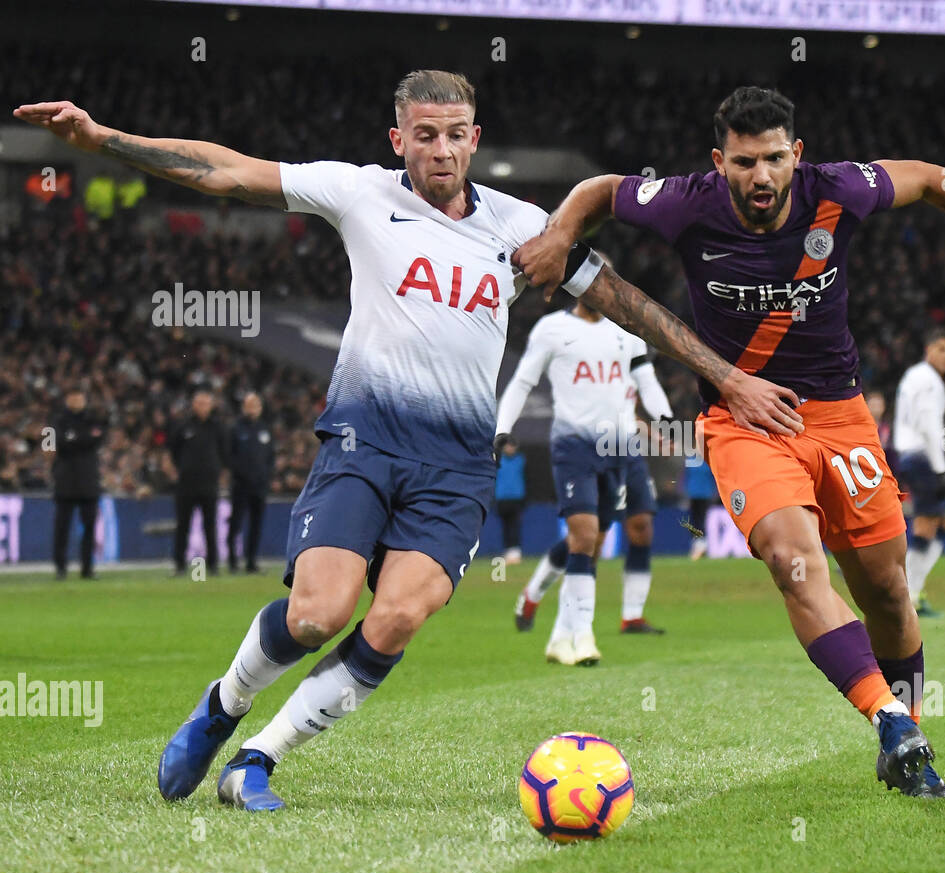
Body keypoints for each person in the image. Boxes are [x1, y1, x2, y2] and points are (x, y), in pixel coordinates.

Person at [16, 72, 797, 811]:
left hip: (457, 466)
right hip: (365, 441)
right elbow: (226, 172)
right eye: (425, 135)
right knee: (318, 613)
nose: (442, 150)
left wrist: (729, 378)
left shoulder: (521, 226)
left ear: (475, 138)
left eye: (456, 134)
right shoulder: (359, 192)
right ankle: (224, 703)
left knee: (394, 619)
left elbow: (625, 302)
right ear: (399, 139)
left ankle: (259, 758)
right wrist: (103, 138)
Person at [517, 85, 945, 798]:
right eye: (743, 162)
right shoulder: (684, 202)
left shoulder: (841, 190)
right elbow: (603, 190)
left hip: (840, 416)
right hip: (744, 421)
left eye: (773, 159)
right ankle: (890, 721)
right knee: (793, 561)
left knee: (888, 591)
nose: (760, 176)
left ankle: (910, 737)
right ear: (719, 162)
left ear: (797, 154)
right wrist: (560, 231)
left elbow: (929, 178)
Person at [498, 294, 674, 665]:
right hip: (574, 447)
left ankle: (562, 637)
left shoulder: (628, 333)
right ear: (577, 288)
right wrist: (502, 428)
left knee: (596, 540)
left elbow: (646, 384)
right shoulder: (553, 330)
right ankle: (582, 635)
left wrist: (667, 420)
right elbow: (522, 381)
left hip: (620, 448)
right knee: (583, 536)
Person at [893, 330, 945, 617]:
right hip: (922, 456)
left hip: (913, 455)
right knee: (926, 525)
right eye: (943, 349)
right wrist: (941, 468)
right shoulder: (928, 380)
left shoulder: (916, 376)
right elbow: (928, 425)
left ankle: (912, 593)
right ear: (928, 349)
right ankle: (908, 597)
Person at [169, 388, 227, 577]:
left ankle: (213, 565)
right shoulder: (183, 426)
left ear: (211, 406)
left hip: (209, 483)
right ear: (193, 405)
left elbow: (224, 451)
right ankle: (179, 564)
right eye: (200, 403)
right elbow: (174, 450)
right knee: (183, 524)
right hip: (186, 484)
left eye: (206, 404)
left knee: (210, 525)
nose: (203, 407)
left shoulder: (217, 427)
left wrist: (217, 470)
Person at [50, 388, 104, 580]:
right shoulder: (56, 420)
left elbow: (97, 439)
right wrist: (83, 439)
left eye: (80, 397)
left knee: (89, 528)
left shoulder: (94, 419)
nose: (77, 401)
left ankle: (87, 569)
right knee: (61, 528)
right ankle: (60, 568)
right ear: (67, 399)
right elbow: (53, 445)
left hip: (88, 482)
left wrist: (71, 440)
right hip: (65, 482)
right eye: (73, 397)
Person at [227, 392, 274, 573]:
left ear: (260, 408)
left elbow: (270, 456)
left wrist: (266, 475)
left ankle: (251, 561)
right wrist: (239, 474)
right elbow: (229, 455)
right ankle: (232, 561)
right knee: (236, 523)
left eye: (255, 405)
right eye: (249, 405)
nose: (252, 408)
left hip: (260, 485)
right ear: (243, 407)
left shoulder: (265, 429)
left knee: (256, 524)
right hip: (240, 485)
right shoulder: (235, 428)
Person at [494, 435, 526, 565]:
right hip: (502, 498)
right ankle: (508, 551)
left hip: (516, 498)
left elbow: (528, 478)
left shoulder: (520, 460)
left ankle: (515, 553)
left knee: (515, 526)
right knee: (505, 527)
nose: (510, 448)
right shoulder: (498, 460)